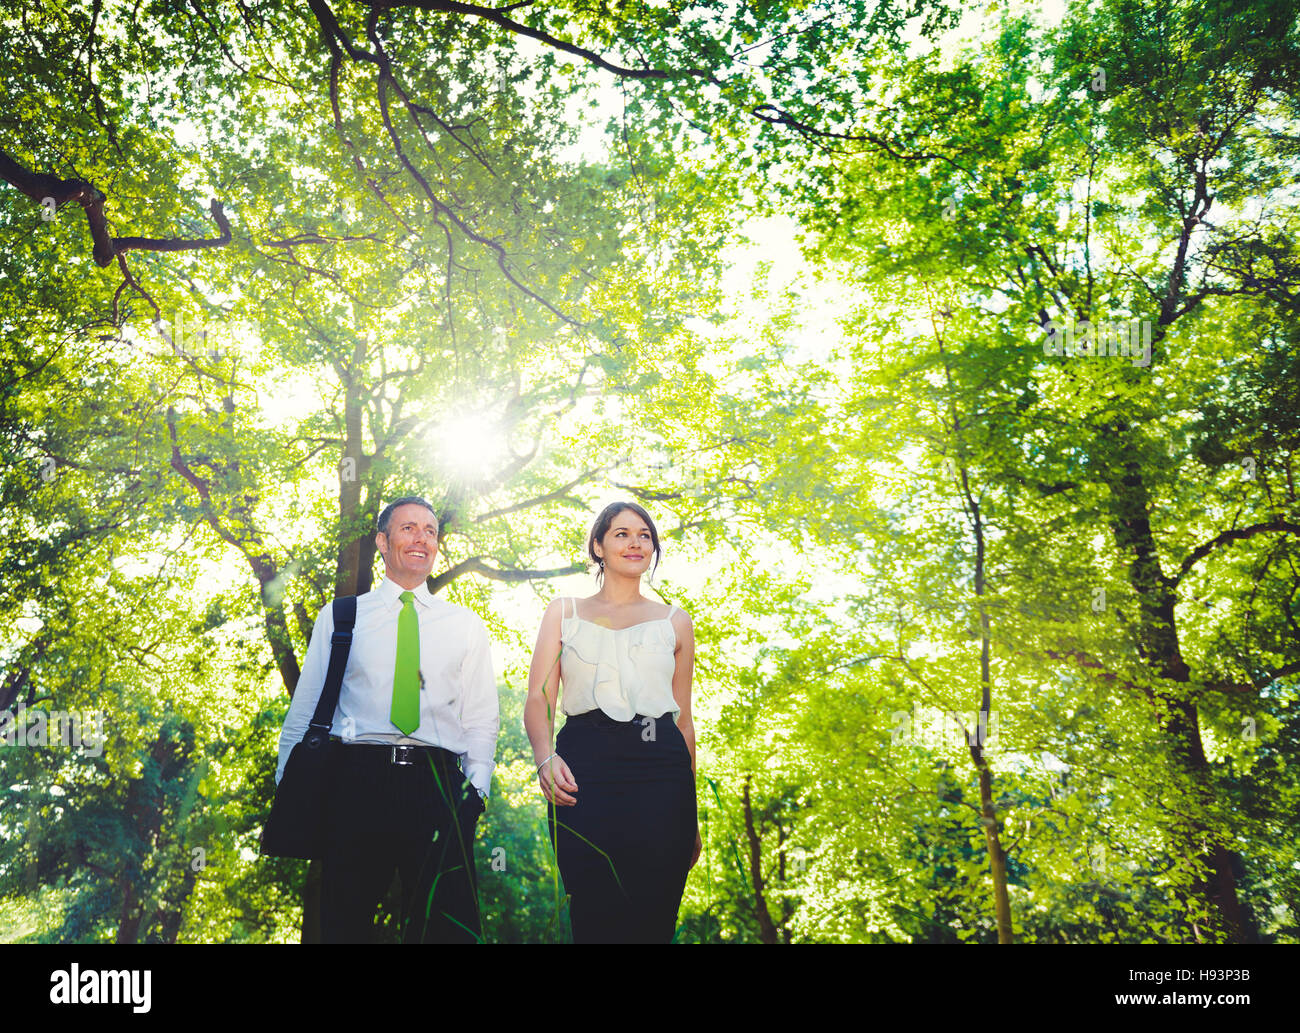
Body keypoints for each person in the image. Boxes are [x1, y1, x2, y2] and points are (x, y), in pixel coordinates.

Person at [275, 496, 499, 943]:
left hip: (438, 786)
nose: (421, 539)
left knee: (447, 928)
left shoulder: (465, 626)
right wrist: (292, 785)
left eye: (431, 531)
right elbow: (305, 709)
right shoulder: (343, 617)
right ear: (382, 541)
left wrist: (476, 791)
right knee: (344, 925)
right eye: (408, 528)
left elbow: (480, 717)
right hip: (356, 784)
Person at [524, 501, 701, 943]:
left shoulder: (675, 622)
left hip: (662, 772)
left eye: (644, 535)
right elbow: (539, 698)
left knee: (654, 917)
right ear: (598, 546)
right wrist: (545, 758)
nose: (635, 542)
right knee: (594, 911)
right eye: (621, 533)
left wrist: (691, 815)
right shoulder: (563, 612)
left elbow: (683, 721)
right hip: (586, 768)